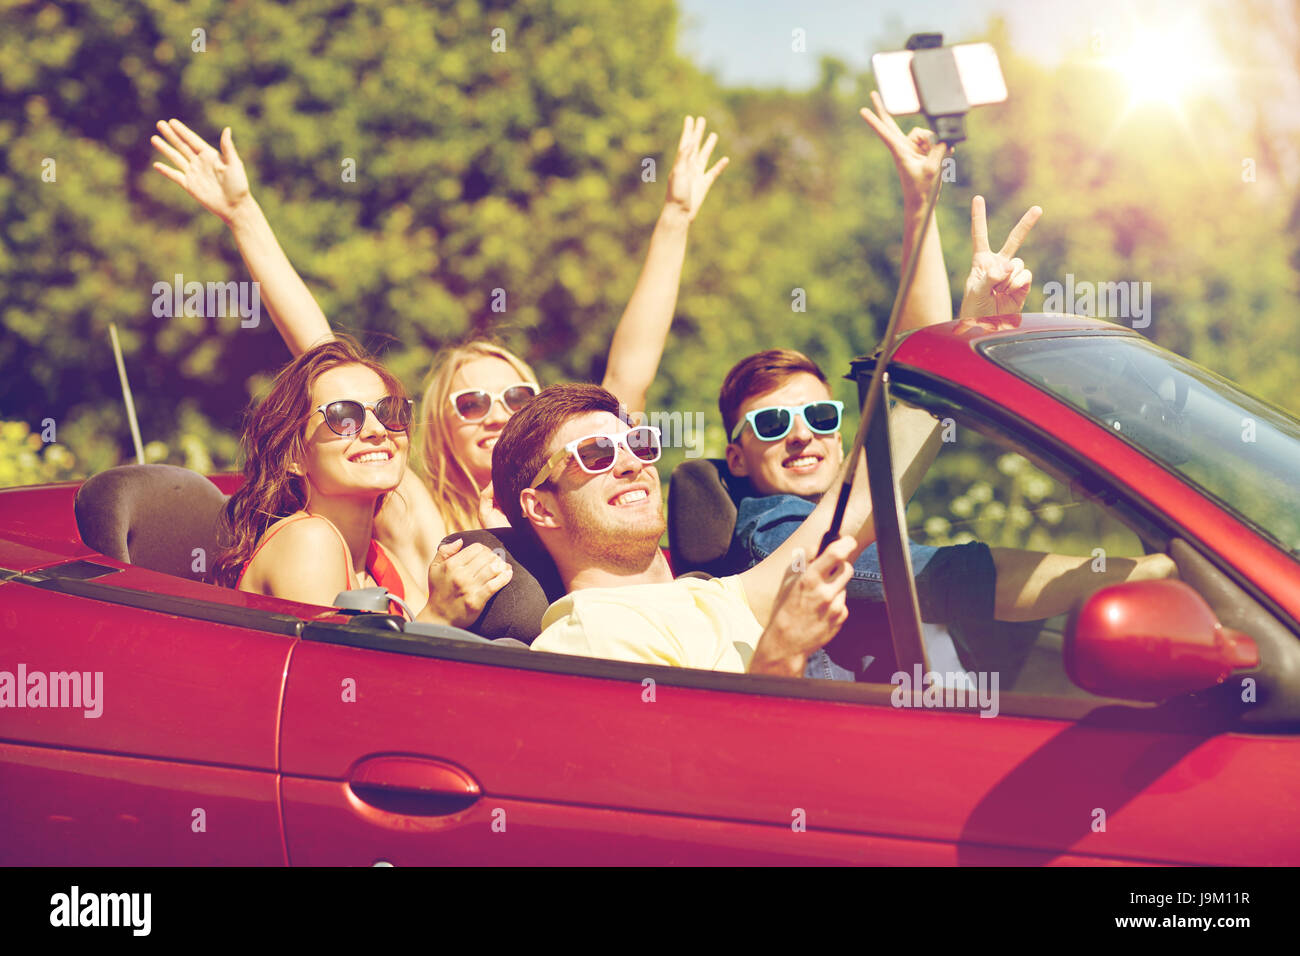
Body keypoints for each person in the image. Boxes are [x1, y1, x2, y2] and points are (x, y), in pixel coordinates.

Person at [151, 114, 728, 621]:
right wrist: (244, 216)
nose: (497, 415)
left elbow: (626, 380)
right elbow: (325, 363)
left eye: (518, 399)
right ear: (440, 430)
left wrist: (676, 217)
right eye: (471, 404)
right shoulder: (412, 513)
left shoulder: (585, 493)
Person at [215, 337, 495, 627]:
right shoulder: (308, 539)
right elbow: (335, 670)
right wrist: (441, 615)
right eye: (343, 416)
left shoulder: (380, 560)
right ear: (293, 456)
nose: (377, 430)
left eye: (390, 411)